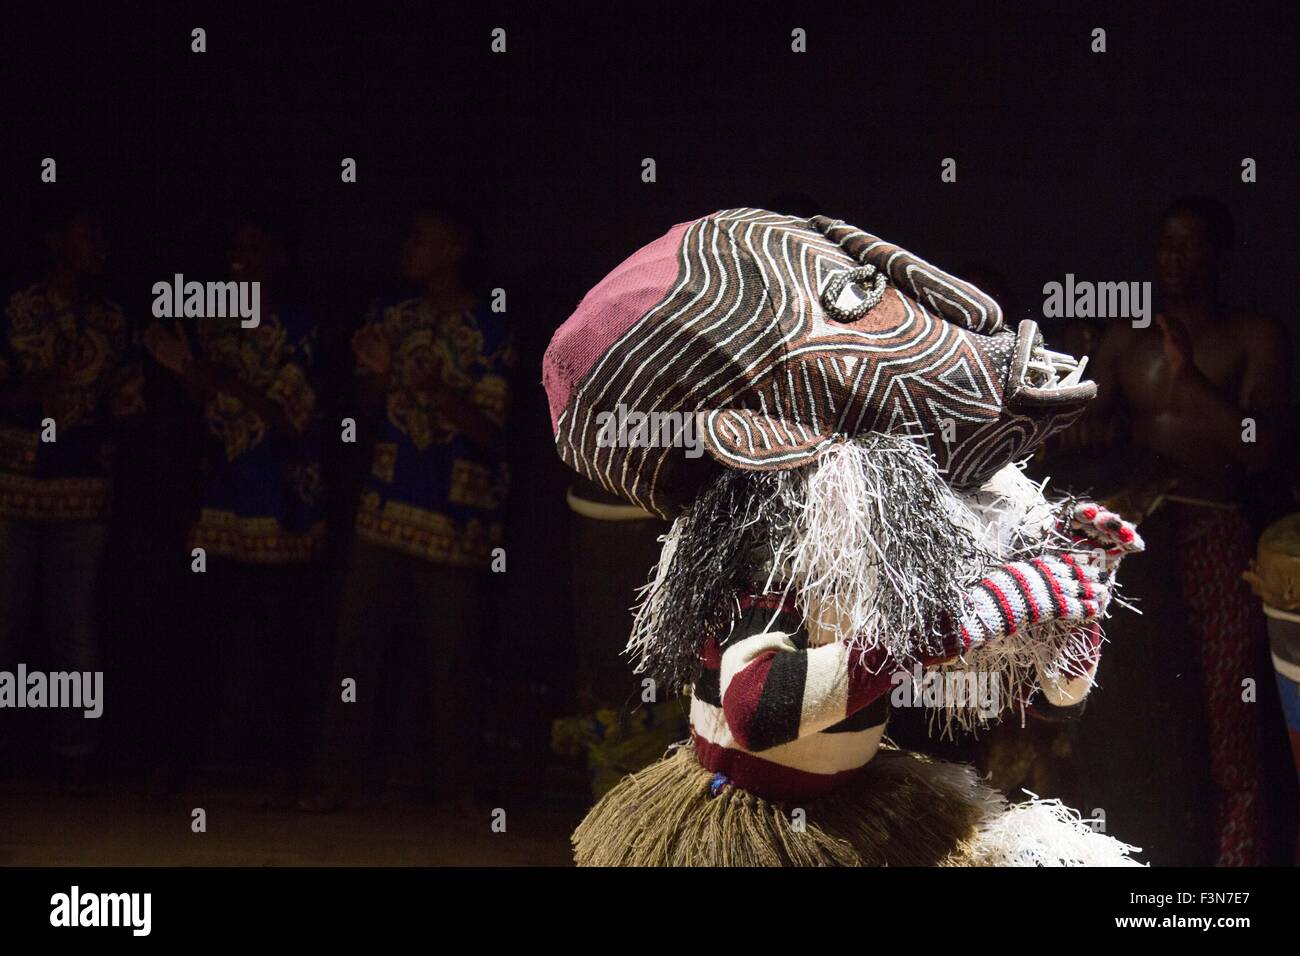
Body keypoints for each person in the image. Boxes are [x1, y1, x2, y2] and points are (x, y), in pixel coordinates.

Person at [546, 207, 1145, 865]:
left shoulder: (893, 555)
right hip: (754, 824)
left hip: (851, 801)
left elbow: (1053, 701)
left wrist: (1075, 606)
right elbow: (756, 711)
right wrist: (968, 620)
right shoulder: (773, 563)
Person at [1072, 196, 1291, 865]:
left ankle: (1233, 869)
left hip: (1216, 535)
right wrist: (1086, 425)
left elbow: (1258, 449)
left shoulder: (1254, 337)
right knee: (1132, 713)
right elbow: (1087, 436)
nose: (1178, 259)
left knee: (1229, 711)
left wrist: (1190, 378)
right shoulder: (1123, 340)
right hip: (1135, 541)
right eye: (1168, 244)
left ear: (1221, 254)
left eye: (1194, 245)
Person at [301, 208, 512, 812]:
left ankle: (460, 793)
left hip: (457, 512)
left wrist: (426, 384)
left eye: (421, 235)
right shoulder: (392, 316)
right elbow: (365, 411)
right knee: (355, 651)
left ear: (456, 246)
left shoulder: (490, 323)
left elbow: (491, 428)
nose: (408, 245)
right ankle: (336, 783)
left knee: (452, 659)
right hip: (385, 503)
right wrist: (378, 373)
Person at [143, 216, 323, 804]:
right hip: (218, 502)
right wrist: (184, 369)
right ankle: (181, 762)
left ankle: (281, 769)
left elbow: (286, 413)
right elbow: (197, 398)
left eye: (254, 247)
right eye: (235, 247)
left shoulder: (297, 326)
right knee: (197, 634)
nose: (239, 258)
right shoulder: (214, 322)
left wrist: (201, 372)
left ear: (279, 257)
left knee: (279, 643)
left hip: (278, 503)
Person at [0, 204, 144, 790]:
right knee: (5, 622)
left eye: (104, 234)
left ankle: (77, 749)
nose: (99, 245)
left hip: (83, 486)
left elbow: (127, 403)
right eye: (88, 232)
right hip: (11, 481)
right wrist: (40, 386)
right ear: (57, 239)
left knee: (74, 622)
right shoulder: (15, 304)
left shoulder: (114, 319)